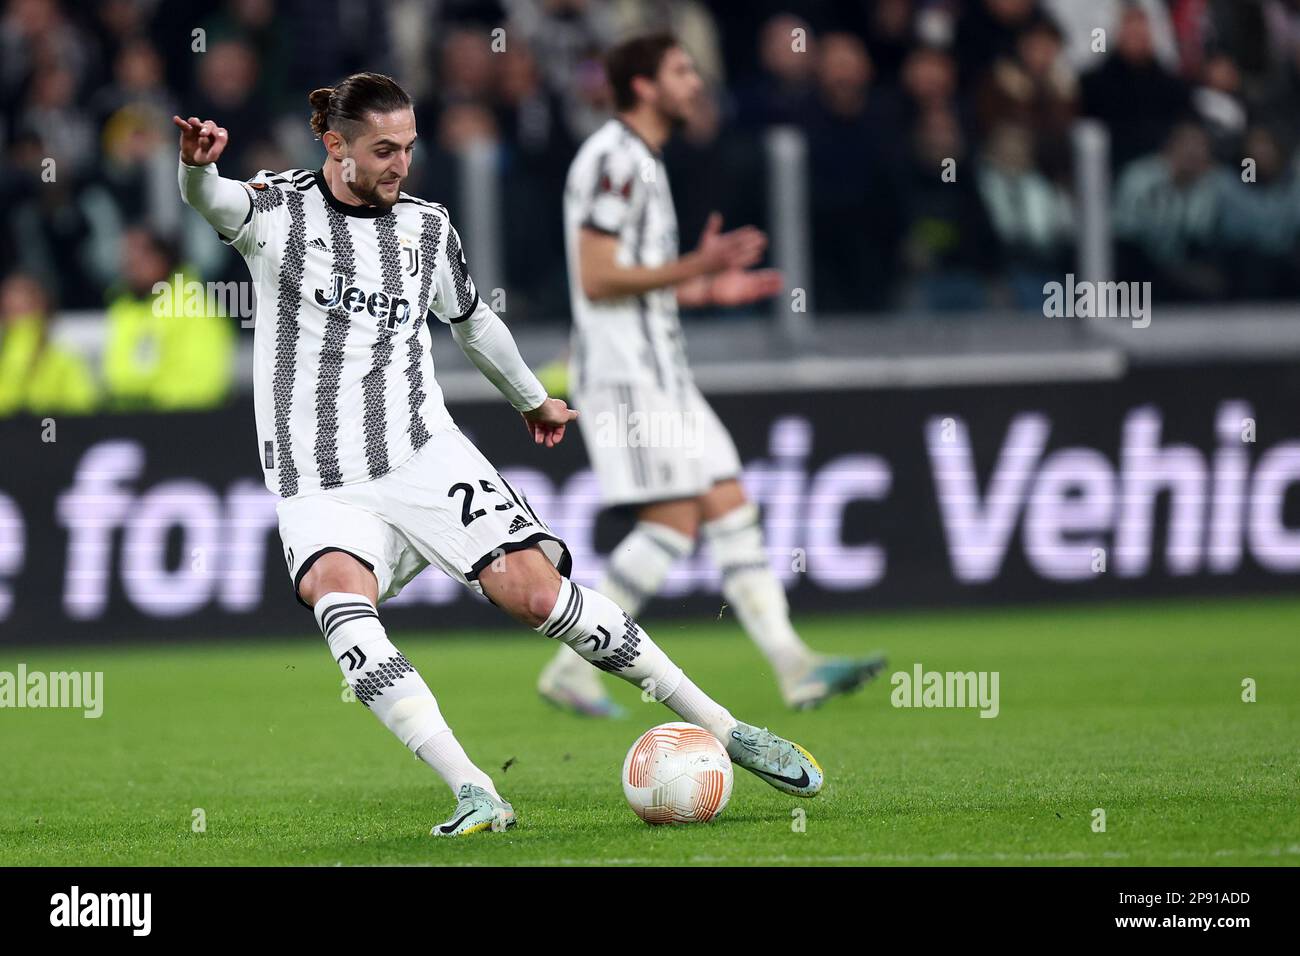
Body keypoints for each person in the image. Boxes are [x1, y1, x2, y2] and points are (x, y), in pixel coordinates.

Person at [173, 72, 824, 837]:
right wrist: (196, 167)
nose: (399, 165)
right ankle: (474, 788)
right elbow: (212, 202)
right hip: (318, 484)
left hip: (423, 455)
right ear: (335, 145)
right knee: (337, 600)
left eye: (408, 148)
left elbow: (474, 323)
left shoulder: (425, 229)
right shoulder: (276, 210)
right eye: (383, 150)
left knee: (537, 596)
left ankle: (725, 726)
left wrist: (531, 400)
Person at [540, 34, 885, 717]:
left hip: (664, 369)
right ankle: (570, 669)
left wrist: (703, 291)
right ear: (642, 85)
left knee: (729, 503)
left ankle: (795, 667)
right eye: (681, 71)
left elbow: (635, 283)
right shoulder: (614, 157)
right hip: (626, 374)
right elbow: (598, 276)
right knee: (672, 522)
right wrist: (695, 268)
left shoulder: (643, 160)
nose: (696, 83)